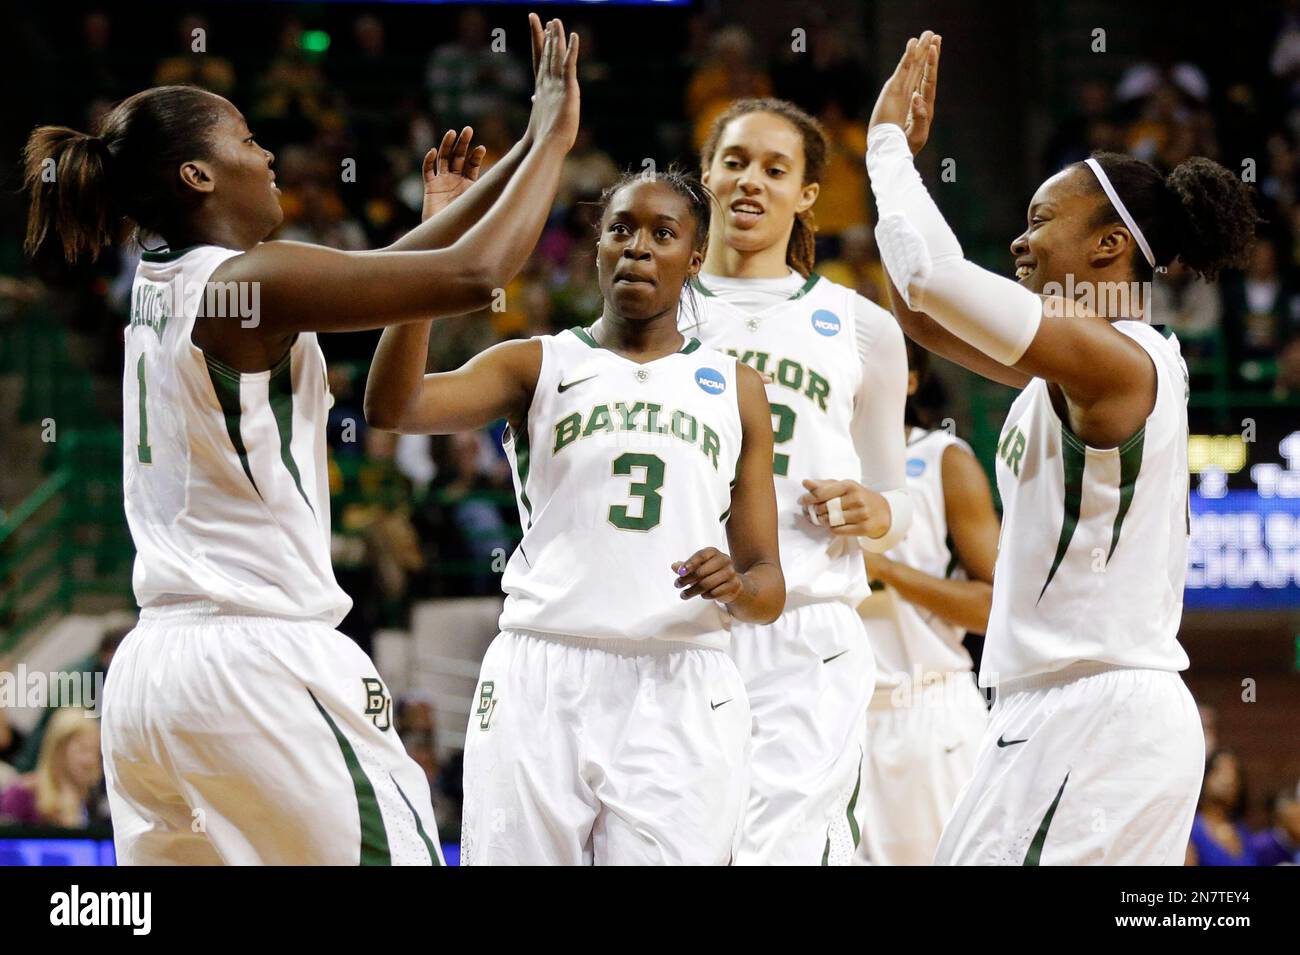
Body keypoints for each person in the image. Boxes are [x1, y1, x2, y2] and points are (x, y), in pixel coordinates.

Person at [22, 14, 581, 865]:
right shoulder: (250, 282)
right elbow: (474, 274)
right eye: (247, 141)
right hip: (257, 663)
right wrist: (552, 139)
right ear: (198, 172)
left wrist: (467, 196)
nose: (269, 155)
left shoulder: (169, 286)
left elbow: (396, 272)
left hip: (149, 679)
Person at [867, 32, 1258, 864]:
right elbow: (923, 314)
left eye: (1040, 219)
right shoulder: (1081, 364)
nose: (1019, 239)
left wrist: (885, 146)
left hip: (1092, 711)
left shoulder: (1121, 358)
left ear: (1110, 245)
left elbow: (933, 279)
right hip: (1063, 711)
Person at [365, 164, 784, 865]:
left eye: (662, 233)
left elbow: (768, 583)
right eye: (620, 229)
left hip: (680, 675)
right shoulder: (538, 364)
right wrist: (431, 256)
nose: (638, 247)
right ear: (596, 249)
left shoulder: (737, 390)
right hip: (543, 665)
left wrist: (738, 587)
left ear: (696, 258)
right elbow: (393, 406)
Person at [684, 96, 913, 864]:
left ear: (807, 194)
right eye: (736, 162)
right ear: (707, 176)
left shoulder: (859, 325)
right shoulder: (654, 312)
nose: (751, 181)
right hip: (682, 621)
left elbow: (901, 501)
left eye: (775, 169)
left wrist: (875, 507)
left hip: (809, 623)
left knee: (787, 850)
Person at [853, 340, 999, 865]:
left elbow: (998, 608)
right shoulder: (801, 464)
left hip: (930, 708)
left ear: (911, 380)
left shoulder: (943, 459)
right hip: (836, 715)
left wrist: (888, 571)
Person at [0, 708, 105, 829]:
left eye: (96, 752)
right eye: (83, 749)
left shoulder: (97, 802)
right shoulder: (22, 795)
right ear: (59, 749)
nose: (90, 760)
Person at [1188, 750, 1260, 865]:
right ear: (1205, 777)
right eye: (1220, 771)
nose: (1228, 779)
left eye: (1234, 773)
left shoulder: (1243, 832)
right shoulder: (1190, 828)